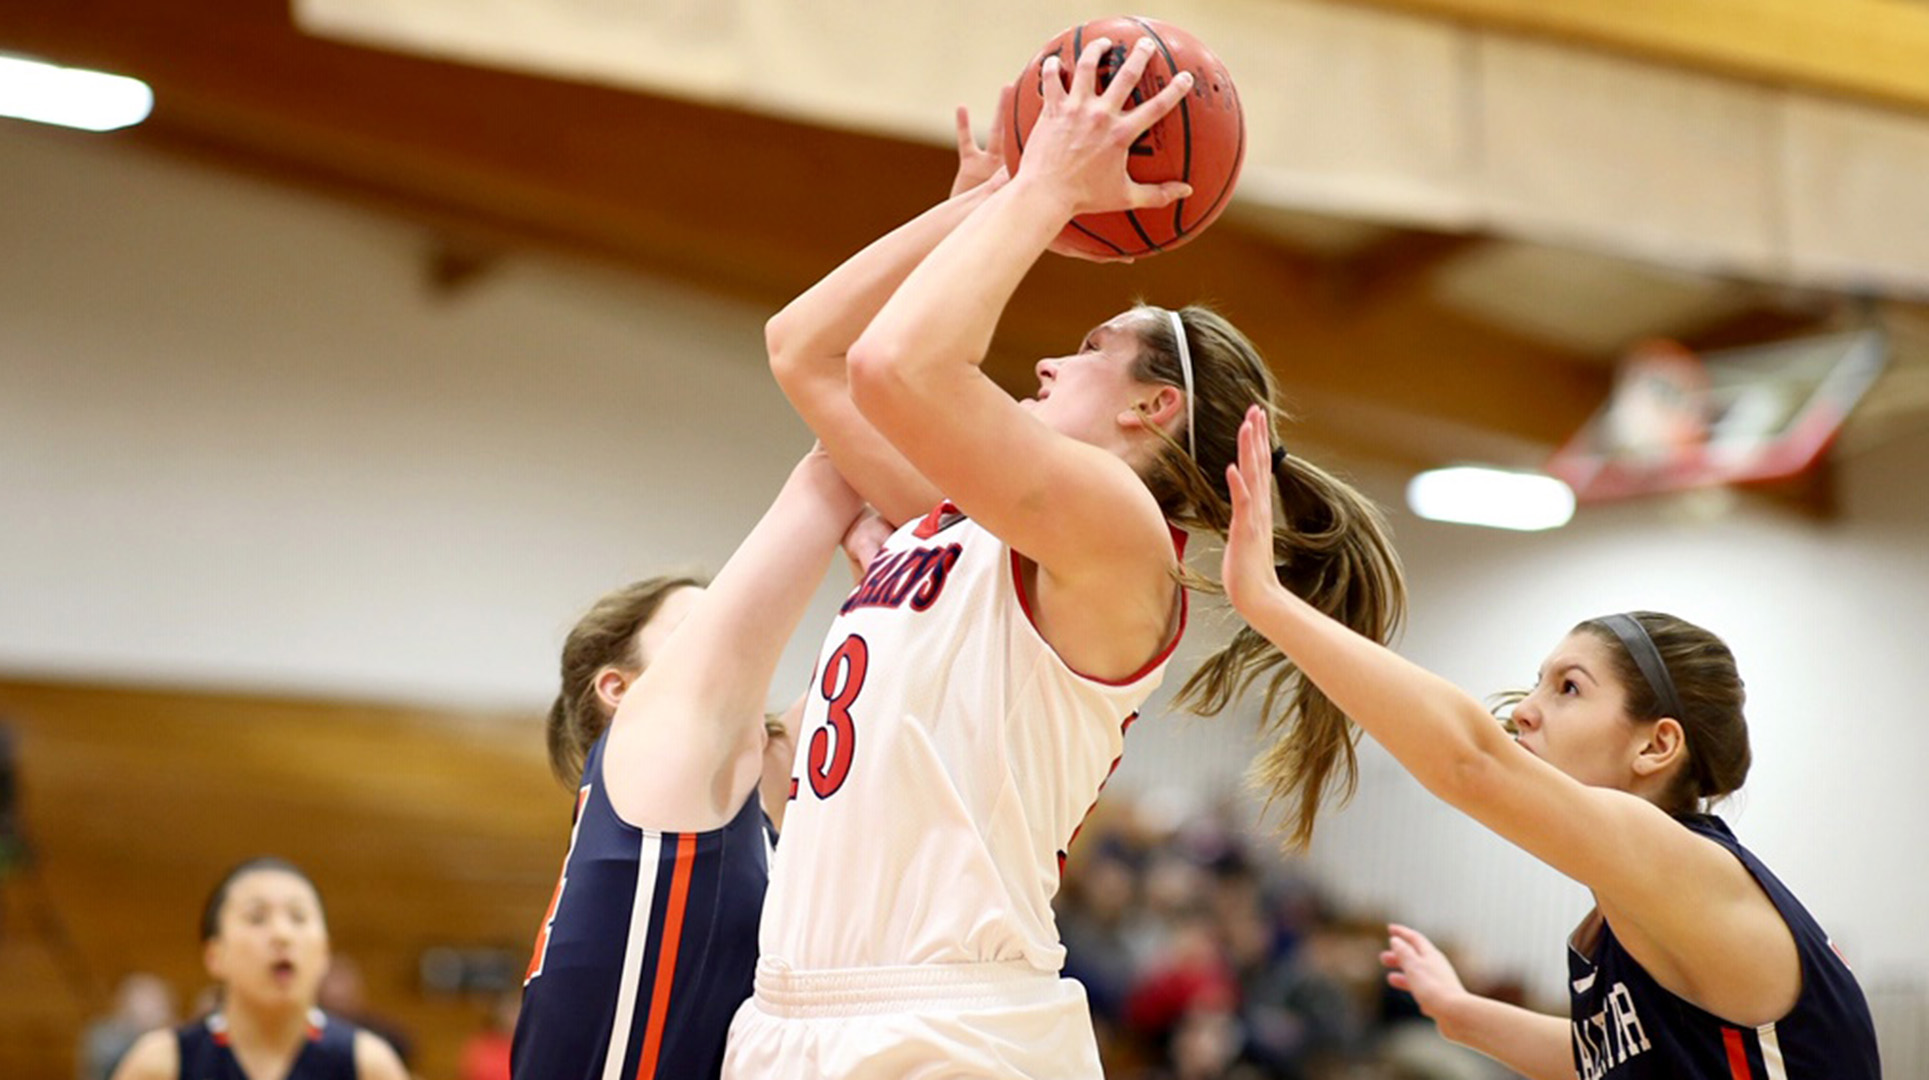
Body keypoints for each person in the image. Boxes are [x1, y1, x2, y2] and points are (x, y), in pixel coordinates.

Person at [723, 37, 1405, 1078]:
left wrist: (1045, 189)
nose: (1046, 360)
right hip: (798, 1007)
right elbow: (804, 349)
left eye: (1089, 348)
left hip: (947, 1029)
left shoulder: (1120, 533)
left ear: (1152, 406)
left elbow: (893, 364)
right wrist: (983, 204)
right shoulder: (967, 519)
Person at [1216, 407, 1882, 1079]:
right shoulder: (1638, 916)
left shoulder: (1688, 865)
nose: (1524, 713)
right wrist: (1459, 1013)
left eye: (1568, 688)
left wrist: (1268, 601)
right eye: (1537, 684)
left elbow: (1472, 762)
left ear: (1656, 746)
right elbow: (1605, 1060)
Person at [509, 445, 867, 1080]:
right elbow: (826, 482)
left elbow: (869, 672)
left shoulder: (735, 802)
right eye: (695, 632)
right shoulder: (651, 758)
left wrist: (885, 575)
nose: (723, 642)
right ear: (619, 688)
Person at [109, 856, 410, 1080]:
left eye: (298, 917)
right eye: (256, 918)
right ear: (215, 955)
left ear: (323, 953)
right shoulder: (161, 1063)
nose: (282, 934)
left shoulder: (368, 1063)